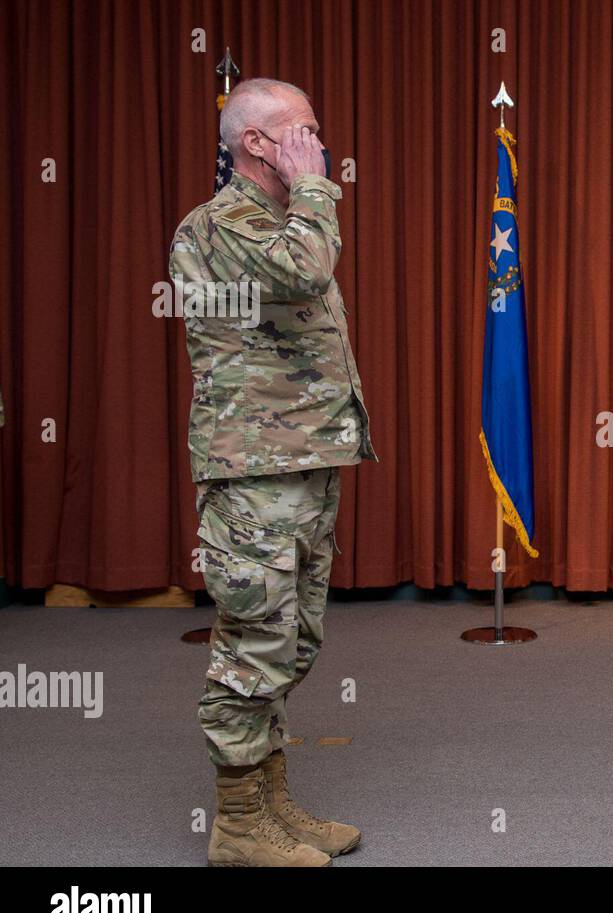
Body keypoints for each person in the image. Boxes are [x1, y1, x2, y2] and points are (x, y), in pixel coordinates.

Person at [170, 77, 376, 866]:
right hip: (254, 469)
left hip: (307, 458)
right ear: (254, 143)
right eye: (303, 132)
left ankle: (272, 803)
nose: (318, 147)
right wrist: (317, 188)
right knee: (254, 638)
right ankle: (237, 827)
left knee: (294, 639)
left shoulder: (286, 218)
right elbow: (301, 273)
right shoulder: (219, 226)